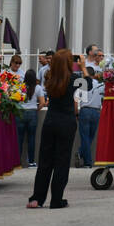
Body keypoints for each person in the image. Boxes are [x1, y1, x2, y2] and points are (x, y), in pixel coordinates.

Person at [29, 49, 76, 208]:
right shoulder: (74, 79)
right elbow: (87, 85)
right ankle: (56, 199)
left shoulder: (49, 78)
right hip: (67, 122)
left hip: (50, 121)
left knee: (45, 161)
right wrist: (82, 67)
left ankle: (36, 198)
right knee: (62, 162)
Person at [17, 67, 45, 167]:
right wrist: (36, 109)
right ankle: (31, 161)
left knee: (19, 138)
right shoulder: (38, 88)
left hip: (20, 112)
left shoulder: (20, 86)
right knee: (31, 138)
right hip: (32, 113)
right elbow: (42, 103)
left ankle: (17, 162)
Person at [77, 66, 103, 169]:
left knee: (85, 137)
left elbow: (76, 100)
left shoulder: (83, 84)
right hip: (96, 111)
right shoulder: (101, 85)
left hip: (85, 111)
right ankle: (81, 154)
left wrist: (76, 113)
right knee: (90, 137)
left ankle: (87, 162)